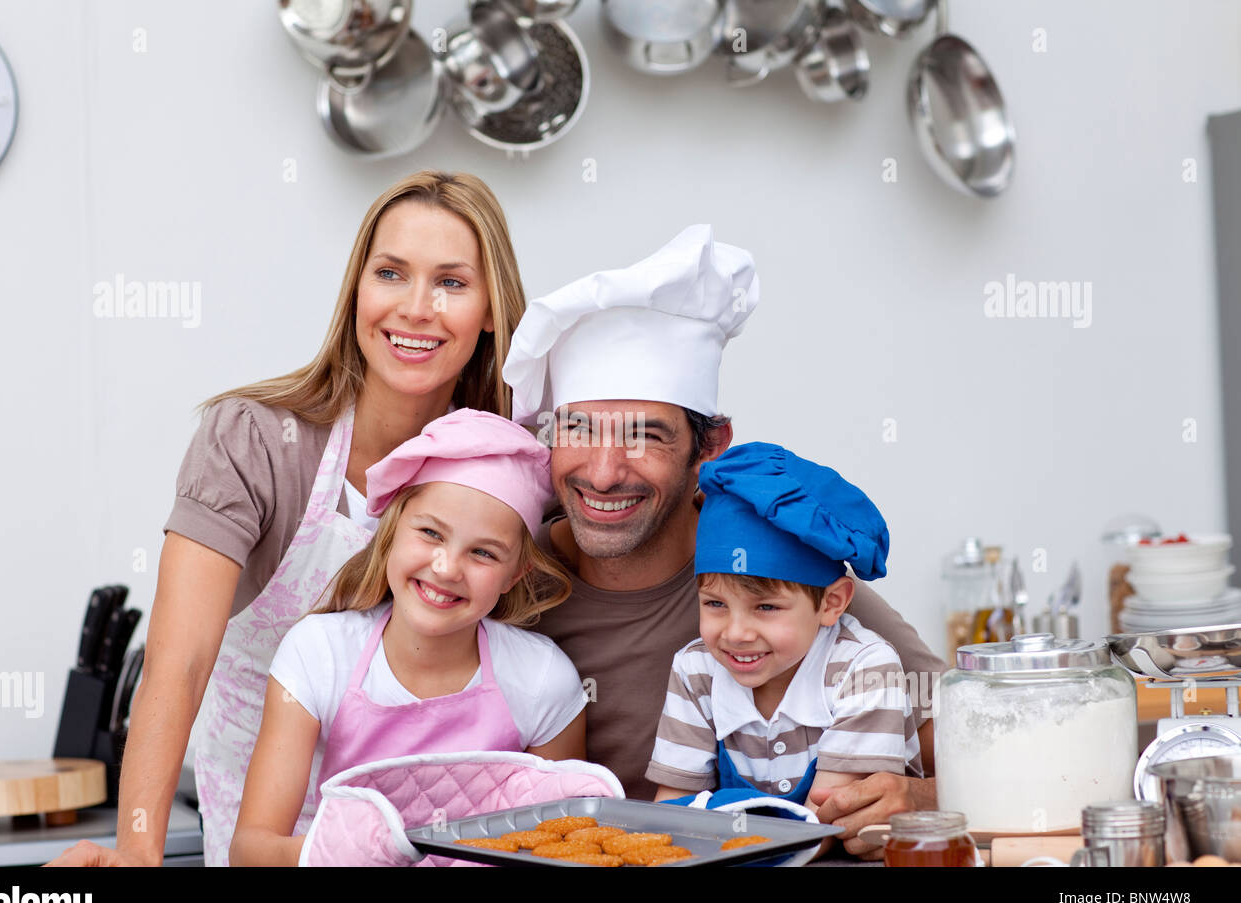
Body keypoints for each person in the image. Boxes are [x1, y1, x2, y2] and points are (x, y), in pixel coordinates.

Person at [48, 170, 528, 867]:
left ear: (491, 309)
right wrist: (138, 848)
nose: (417, 308)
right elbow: (178, 663)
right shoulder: (251, 441)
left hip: (437, 844)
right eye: (391, 273)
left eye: (451, 283)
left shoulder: (507, 464)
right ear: (357, 290)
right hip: (265, 847)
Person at [501, 224, 945, 859]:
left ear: (710, 447)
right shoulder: (500, 572)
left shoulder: (777, 564)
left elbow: (981, 751)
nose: (602, 472)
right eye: (578, 429)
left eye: (646, 437)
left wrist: (928, 800)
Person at [230, 410, 586, 865]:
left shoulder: (542, 679)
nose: (446, 567)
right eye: (430, 533)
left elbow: (564, 847)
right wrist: (350, 854)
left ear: (516, 574)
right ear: (393, 528)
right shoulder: (319, 654)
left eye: (483, 552)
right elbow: (250, 851)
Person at [647, 442, 922, 861]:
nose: (736, 633)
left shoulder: (866, 669)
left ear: (832, 603)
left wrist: (701, 827)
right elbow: (670, 812)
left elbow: (821, 826)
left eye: (766, 607)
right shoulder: (696, 669)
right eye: (715, 604)